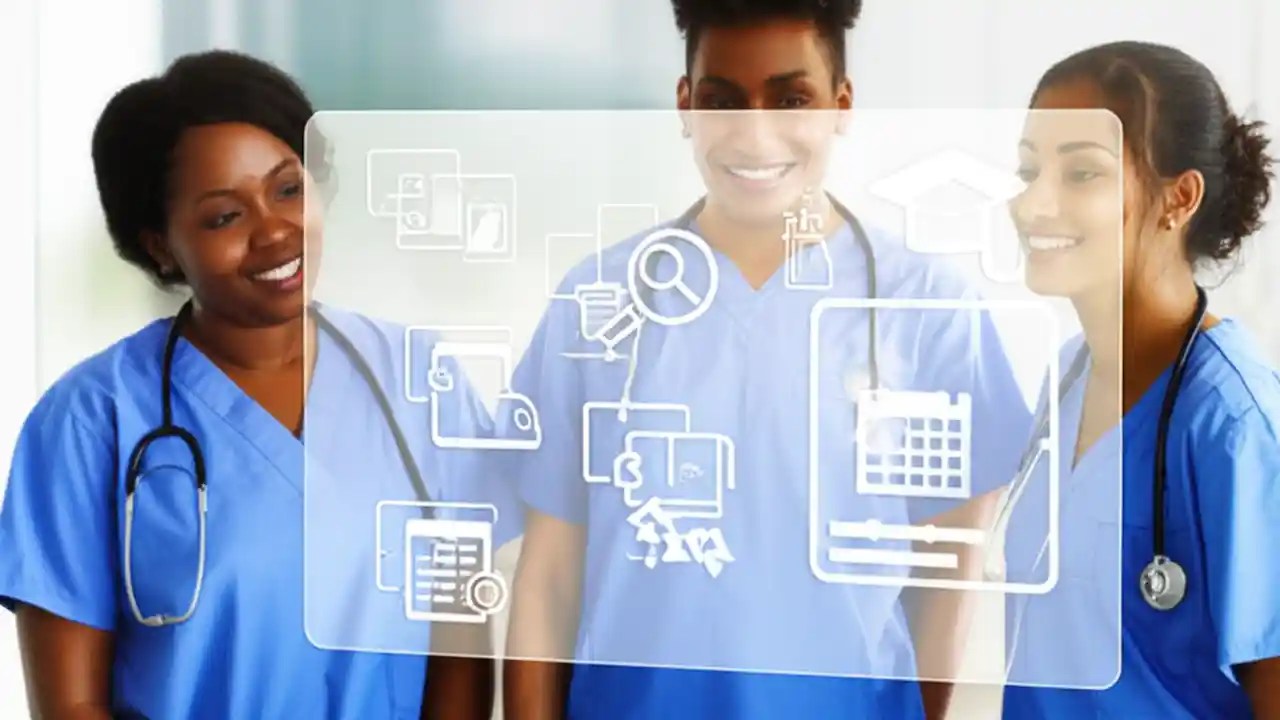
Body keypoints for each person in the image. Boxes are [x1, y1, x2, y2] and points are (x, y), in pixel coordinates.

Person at [502, 1, 1033, 718]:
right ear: (685, 104)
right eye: (723, 101)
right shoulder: (598, 301)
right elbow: (548, 580)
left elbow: (948, 580)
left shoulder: (931, 312)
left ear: (841, 104)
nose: (754, 135)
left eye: (791, 99)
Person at [0, 50, 518, 719]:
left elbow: (460, 648)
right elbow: (71, 706)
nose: (275, 232)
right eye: (224, 217)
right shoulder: (88, 421)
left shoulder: (420, 380)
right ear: (160, 243)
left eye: (288, 189)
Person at [1003, 40, 1279, 718]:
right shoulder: (1066, 379)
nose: (1033, 204)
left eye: (1081, 174)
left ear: (1178, 198)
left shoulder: (1235, 426)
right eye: (1029, 170)